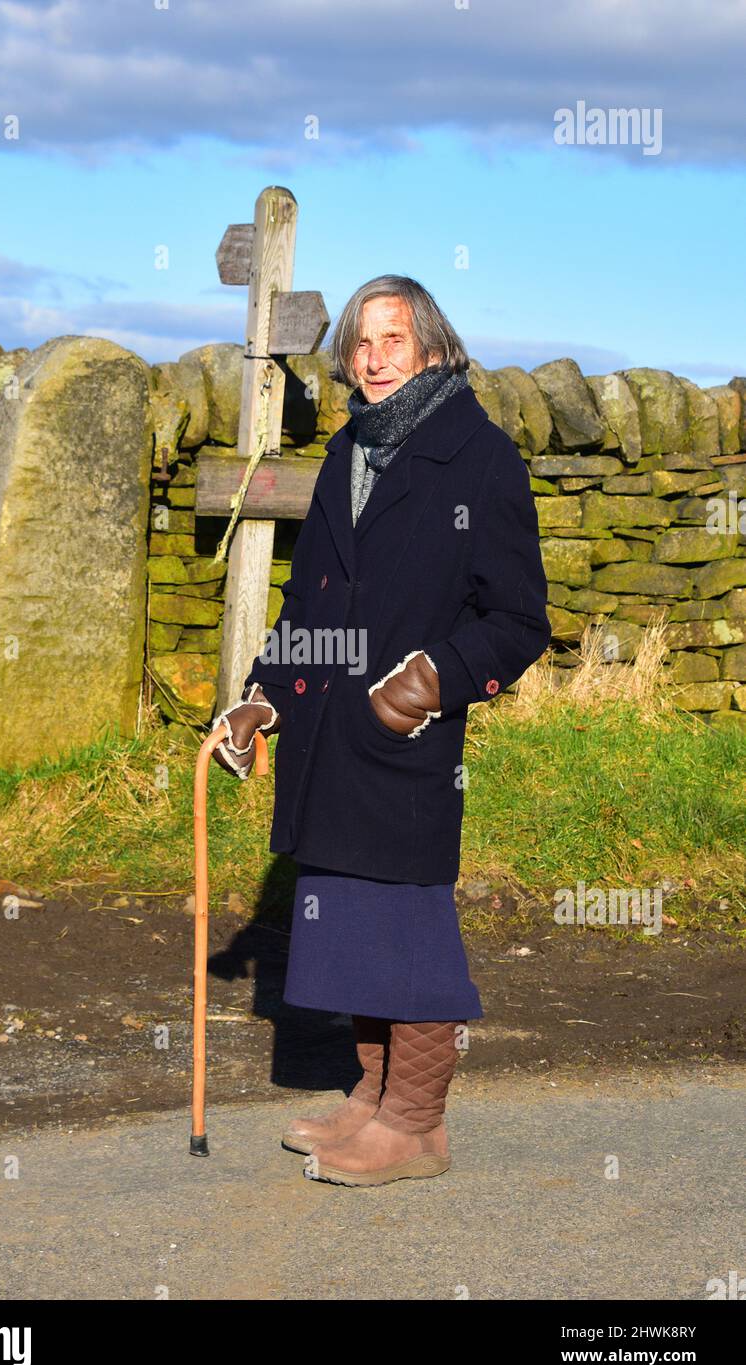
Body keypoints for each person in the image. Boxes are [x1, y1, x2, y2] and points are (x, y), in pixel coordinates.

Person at [211, 275, 551, 1186]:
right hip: (327, 734)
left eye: (393, 339)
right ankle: (373, 1094)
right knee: (347, 917)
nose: (374, 358)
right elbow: (313, 599)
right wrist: (263, 697)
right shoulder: (346, 455)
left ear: (433, 348)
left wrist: (437, 676)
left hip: (408, 740)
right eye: (362, 343)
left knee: (406, 924)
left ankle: (417, 1123)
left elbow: (519, 620)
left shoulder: (481, 459)